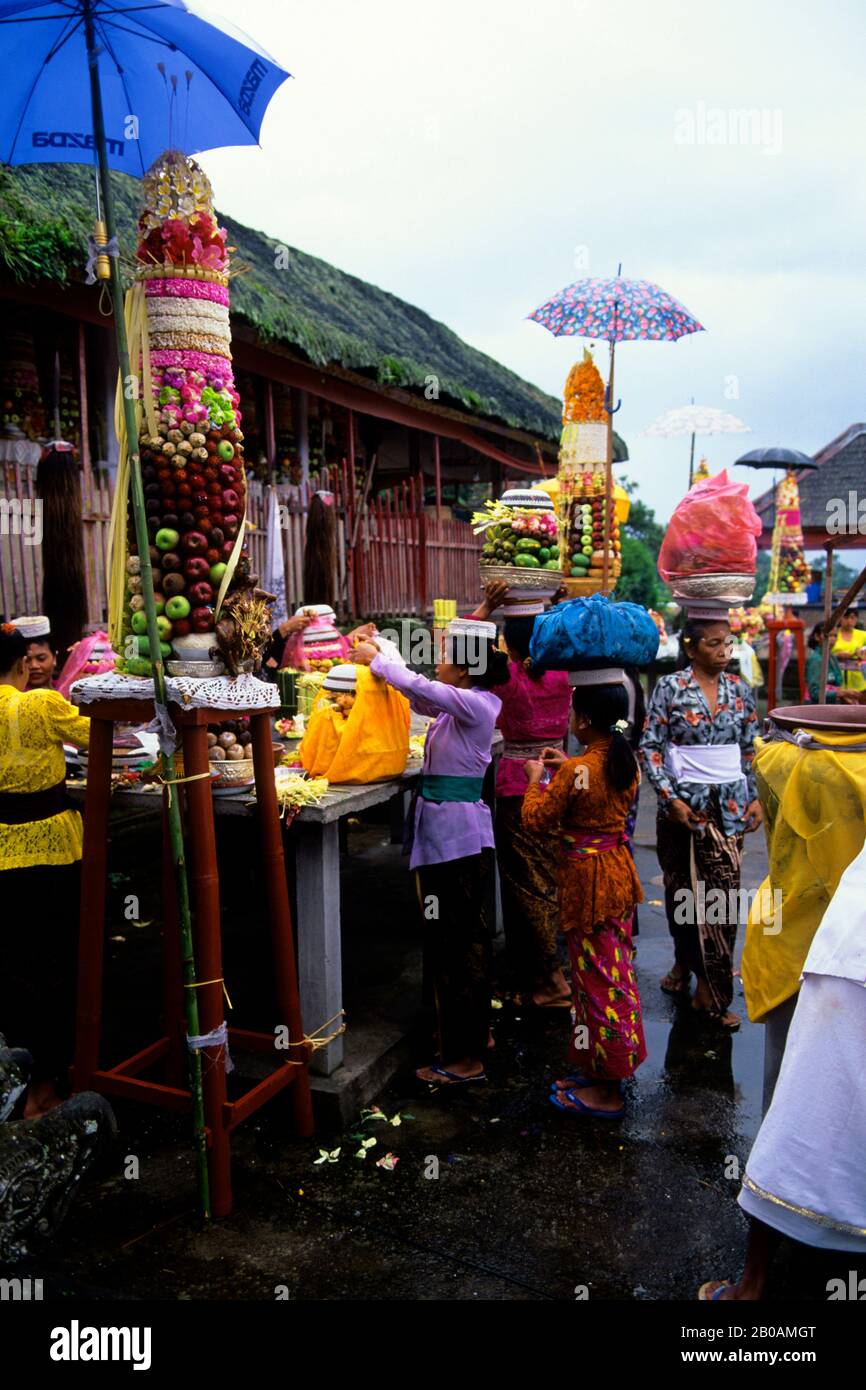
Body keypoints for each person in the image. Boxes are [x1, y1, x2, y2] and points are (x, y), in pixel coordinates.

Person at [700, 838, 866, 1299]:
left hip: (847, 955)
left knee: (804, 1109)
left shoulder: (808, 765)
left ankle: (753, 1286)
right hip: (844, 952)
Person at [353, 618, 510, 1086]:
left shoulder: (477, 706)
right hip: (451, 838)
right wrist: (379, 649)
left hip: (456, 844)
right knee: (462, 943)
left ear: (464, 670)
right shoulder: (458, 706)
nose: (436, 661)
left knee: (457, 948)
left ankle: (464, 1060)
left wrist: (378, 659)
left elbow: (417, 683)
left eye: (444, 655)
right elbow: (416, 692)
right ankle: (473, 1035)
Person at [522, 677, 646, 1119]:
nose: (570, 718)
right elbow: (589, 784)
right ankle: (598, 1071)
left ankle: (607, 1091)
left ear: (585, 719)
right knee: (604, 977)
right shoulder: (619, 758)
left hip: (589, 882)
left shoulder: (580, 771)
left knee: (598, 986)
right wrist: (568, 766)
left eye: (574, 711)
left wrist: (538, 779)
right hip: (613, 873)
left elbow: (536, 819)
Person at [640, 615, 761, 1031]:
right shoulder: (670, 688)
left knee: (721, 897)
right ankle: (683, 960)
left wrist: (755, 797)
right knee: (681, 892)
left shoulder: (740, 692)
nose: (724, 651)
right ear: (691, 648)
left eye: (727, 643)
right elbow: (651, 748)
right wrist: (670, 799)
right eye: (713, 644)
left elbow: (749, 751)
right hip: (681, 808)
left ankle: (712, 991)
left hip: (727, 808)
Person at [0, 624, 91, 1116]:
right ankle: (44, 1091)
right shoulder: (40, 704)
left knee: (11, 969)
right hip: (46, 853)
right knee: (51, 969)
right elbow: (101, 728)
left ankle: (16, 1084)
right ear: (20, 665)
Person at [472, 581, 572, 1007]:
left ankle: (549, 982)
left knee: (525, 887)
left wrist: (486, 607)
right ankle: (545, 973)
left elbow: (461, 654)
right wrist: (561, 608)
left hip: (519, 782)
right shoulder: (566, 673)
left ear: (507, 646)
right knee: (552, 879)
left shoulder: (508, 676)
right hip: (562, 777)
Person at [804, 622, 850, 703]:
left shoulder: (832, 657)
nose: (833, 639)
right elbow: (814, 693)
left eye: (835, 636)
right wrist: (841, 693)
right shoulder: (816, 660)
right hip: (817, 709)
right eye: (829, 635)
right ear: (817, 637)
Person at [11, 616, 57, 690]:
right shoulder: (11, 698)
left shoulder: (68, 690)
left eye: (41, 658)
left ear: (54, 658)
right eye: (27, 660)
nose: (34, 666)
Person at [831, 606, 866, 693]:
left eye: (852, 618)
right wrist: (837, 655)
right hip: (837, 678)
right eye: (846, 617)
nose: (849, 621)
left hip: (858, 678)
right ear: (840, 619)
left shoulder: (863, 635)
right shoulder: (833, 634)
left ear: (856, 619)